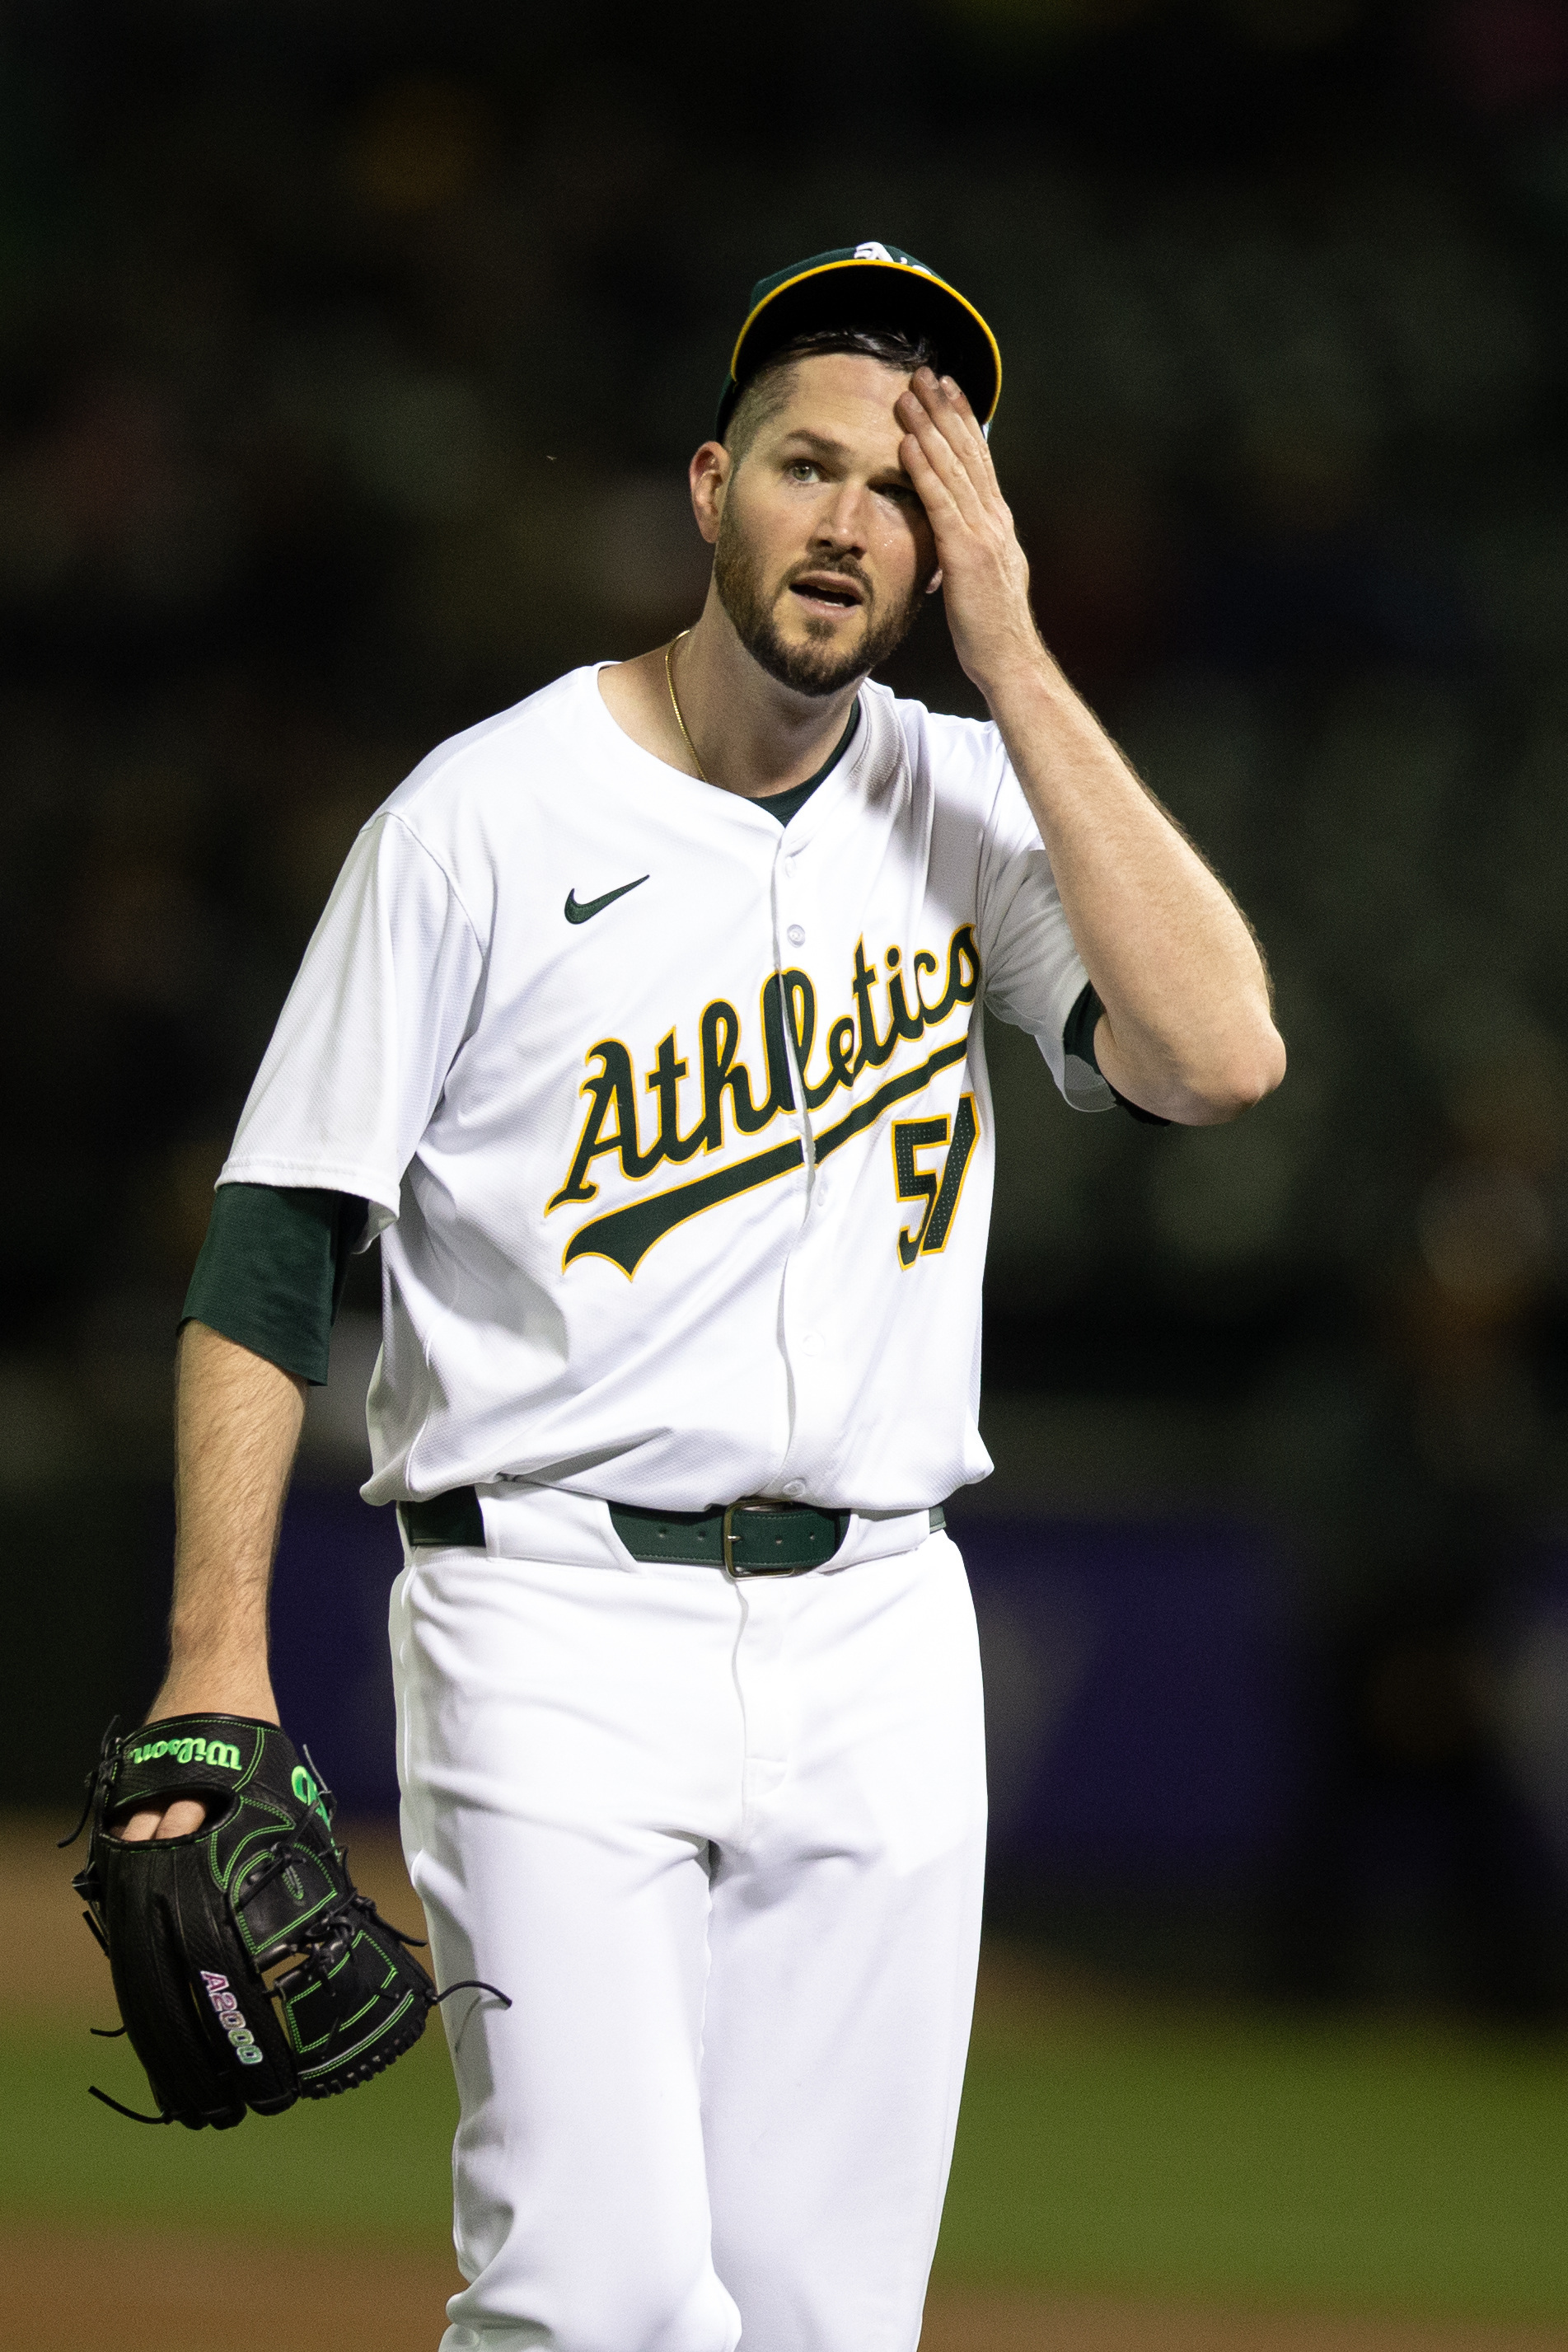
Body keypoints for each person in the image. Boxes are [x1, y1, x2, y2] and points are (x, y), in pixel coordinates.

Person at [119, 243, 1285, 2352]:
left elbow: (1216, 1057)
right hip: (550, 1614)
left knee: (828, 2320)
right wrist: (216, 1657)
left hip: (881, 1631)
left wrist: (1017, 665)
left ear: (950, 544)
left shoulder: (969, 793)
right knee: (604, 2294)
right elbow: (275, 1248)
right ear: (705, 488)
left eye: (902, 489)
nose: (846, 520)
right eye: (803, 466)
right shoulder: (482, 816)